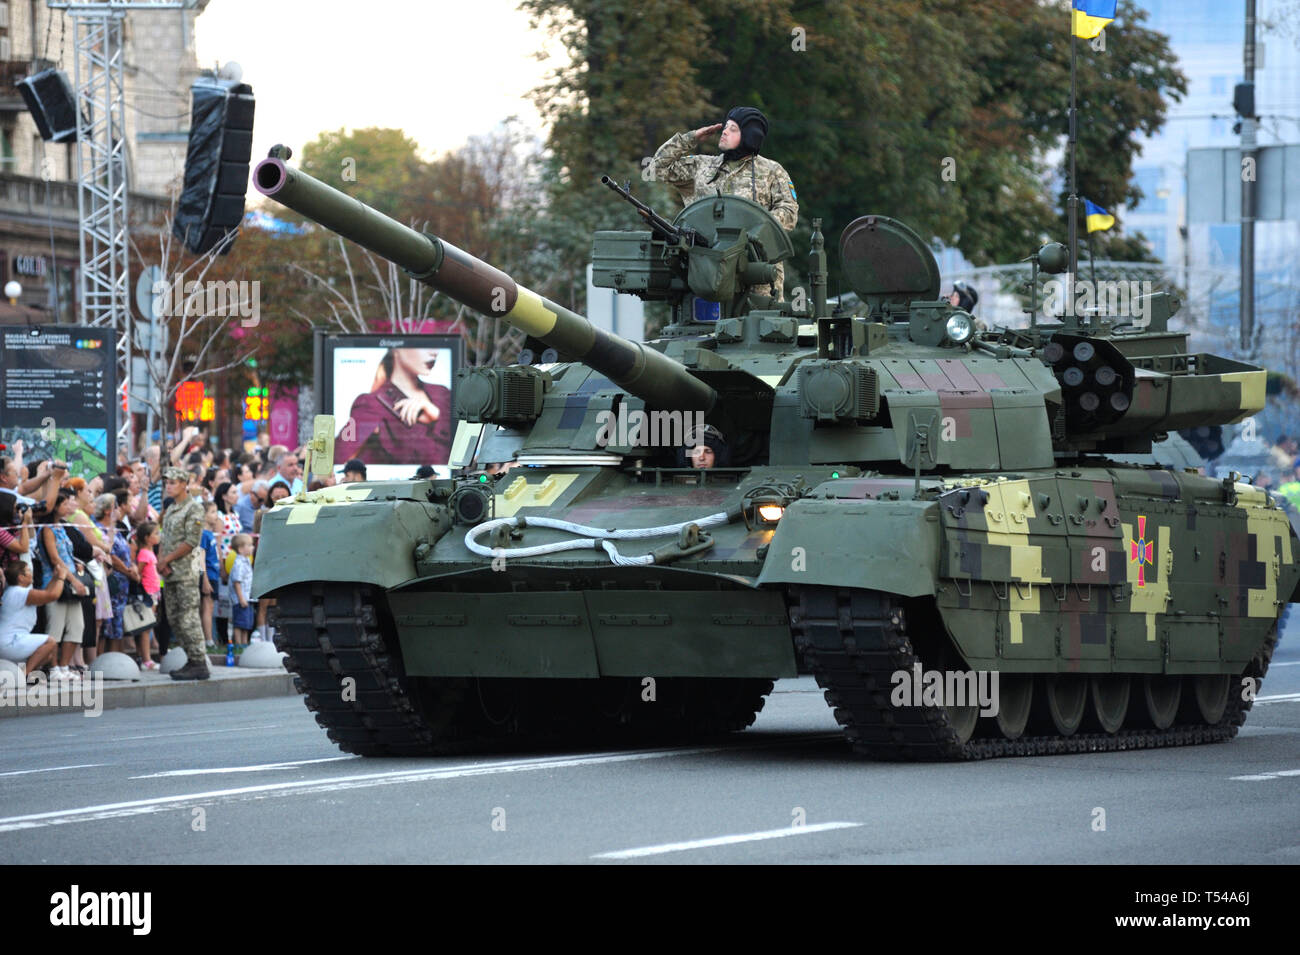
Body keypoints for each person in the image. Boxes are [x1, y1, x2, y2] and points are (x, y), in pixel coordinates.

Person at [651, 106, 799, 298]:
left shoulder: (771, 171)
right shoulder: (702, 166)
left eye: (733, 129)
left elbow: (789, 212)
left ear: (749, 136)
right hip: (707, 273)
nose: (725, 132)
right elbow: (657, 167)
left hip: (756, 277)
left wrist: (753, 230)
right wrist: (691, 138)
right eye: (725, 126)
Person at [333, 348, 453, 467]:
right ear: (397, 349)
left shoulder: (442, 394)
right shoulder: (371, 404)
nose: (434, 352)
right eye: (423, 345)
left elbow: (462, 450)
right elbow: (335, 460)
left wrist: (437, 415)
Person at [158, 467, 208, 680]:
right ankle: (191, 659)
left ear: (184, 484)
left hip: (186, 571)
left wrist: (167, 559)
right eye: (167, 482)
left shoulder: (193, 508)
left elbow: (191, 541)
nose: (169, 486)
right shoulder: (171, 509)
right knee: (174, 618)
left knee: (188, 618)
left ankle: (199, 661)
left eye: (173, 482)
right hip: (170, 572)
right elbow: (164, 538)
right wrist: (162, 561)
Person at [0, 561, 64, 682]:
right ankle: (25, 675)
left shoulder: (14, 591)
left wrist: (55, 578)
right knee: (50, 642)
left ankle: (28, 674)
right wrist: (61, 578)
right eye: (28, 571)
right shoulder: (19, 592)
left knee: (48, 654)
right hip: (9, 643)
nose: (31, 573)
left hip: (10, 642)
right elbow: (52, 595)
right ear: (21, 577)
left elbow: (45, 595)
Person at [229, 534, 255, 644]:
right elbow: (237, 582)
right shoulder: (239, 563)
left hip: (247, 598)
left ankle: (244, 644)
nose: (252, 547)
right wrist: (241, 598)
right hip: (241, 599)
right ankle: (238, 644)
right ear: (240, 549)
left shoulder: (247, 561)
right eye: (249, 545)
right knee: (239, 623)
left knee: (246, 624)